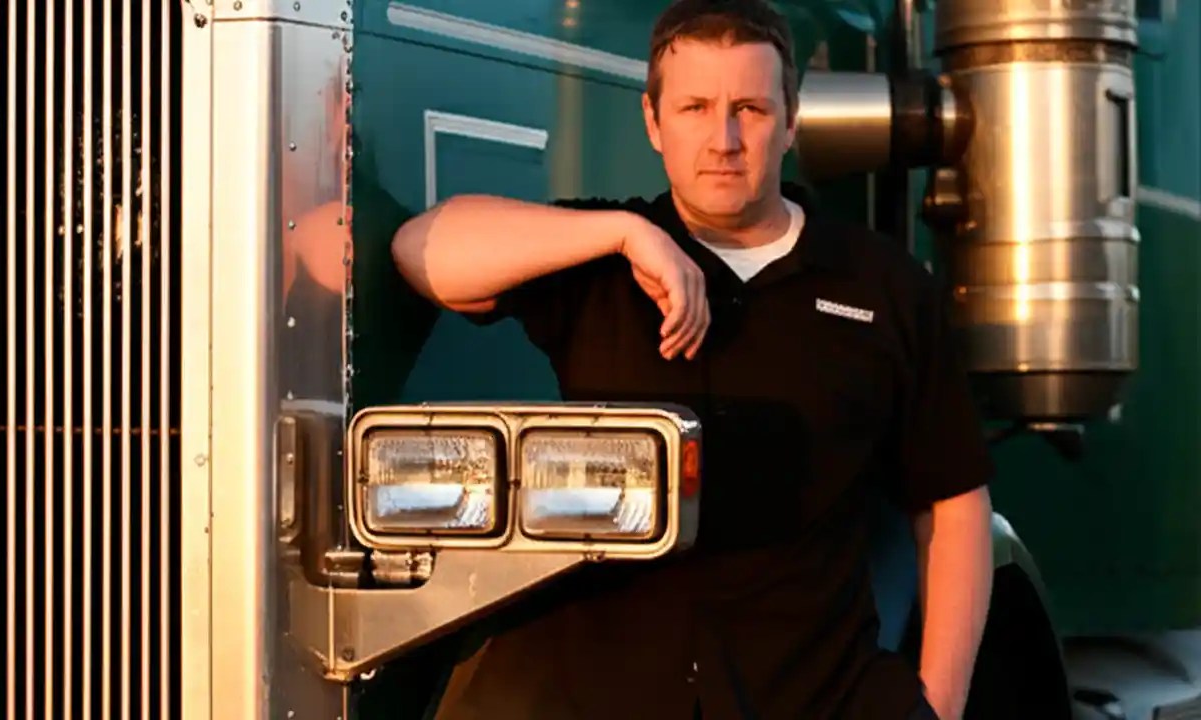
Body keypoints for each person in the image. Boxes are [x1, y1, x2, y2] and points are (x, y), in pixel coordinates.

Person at [390, 1, 994, 718]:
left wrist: (939, 705)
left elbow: (953, 504)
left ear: (791, 121)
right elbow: (422, 251)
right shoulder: (601, 265)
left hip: (813, 695)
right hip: (609, 698)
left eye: (751, 109)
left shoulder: (882, 287)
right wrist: (623, 235)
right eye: (695, 108)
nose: (724, 139)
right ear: (653, 122)